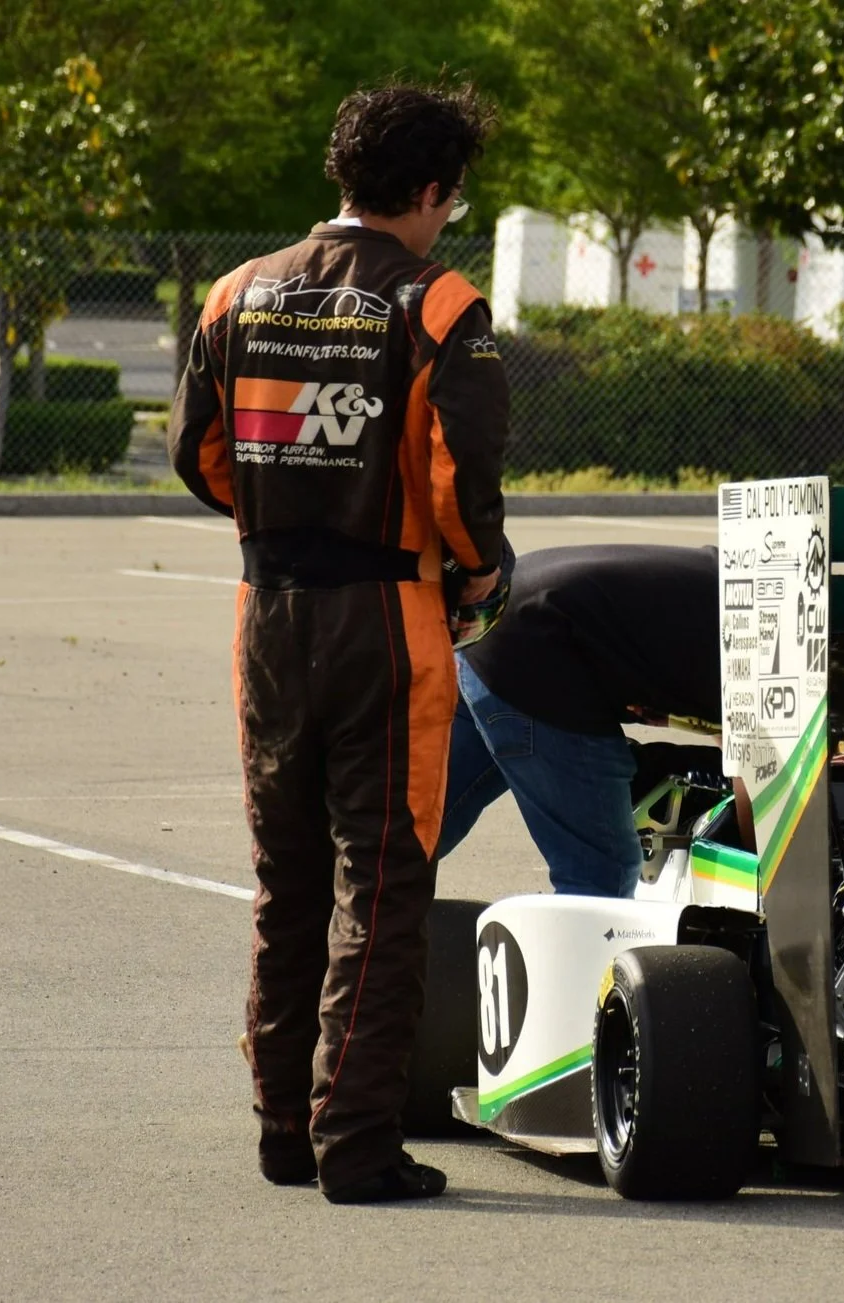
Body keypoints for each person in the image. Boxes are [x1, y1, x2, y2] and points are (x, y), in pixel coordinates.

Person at [168, 80, 507, 1205]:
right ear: (430, 190)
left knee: (289, 880)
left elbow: (197, 453)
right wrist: (480, 568)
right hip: (387, 618)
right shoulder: (437, 303)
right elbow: (460, 479)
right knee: (385, 880)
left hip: (267, 613)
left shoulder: (238, 291)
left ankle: (282, 1129)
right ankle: (354, 1143)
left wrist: (287, 513)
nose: (448, 219)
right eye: (452, 200)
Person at [437, 545, 721, 896]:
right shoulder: (768, 652)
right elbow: (757, 776)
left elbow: (739, 743)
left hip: (491, 627)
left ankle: (377, 922)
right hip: (539, 652)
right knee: (602, 871)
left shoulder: (745, 587)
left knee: (408, 833)